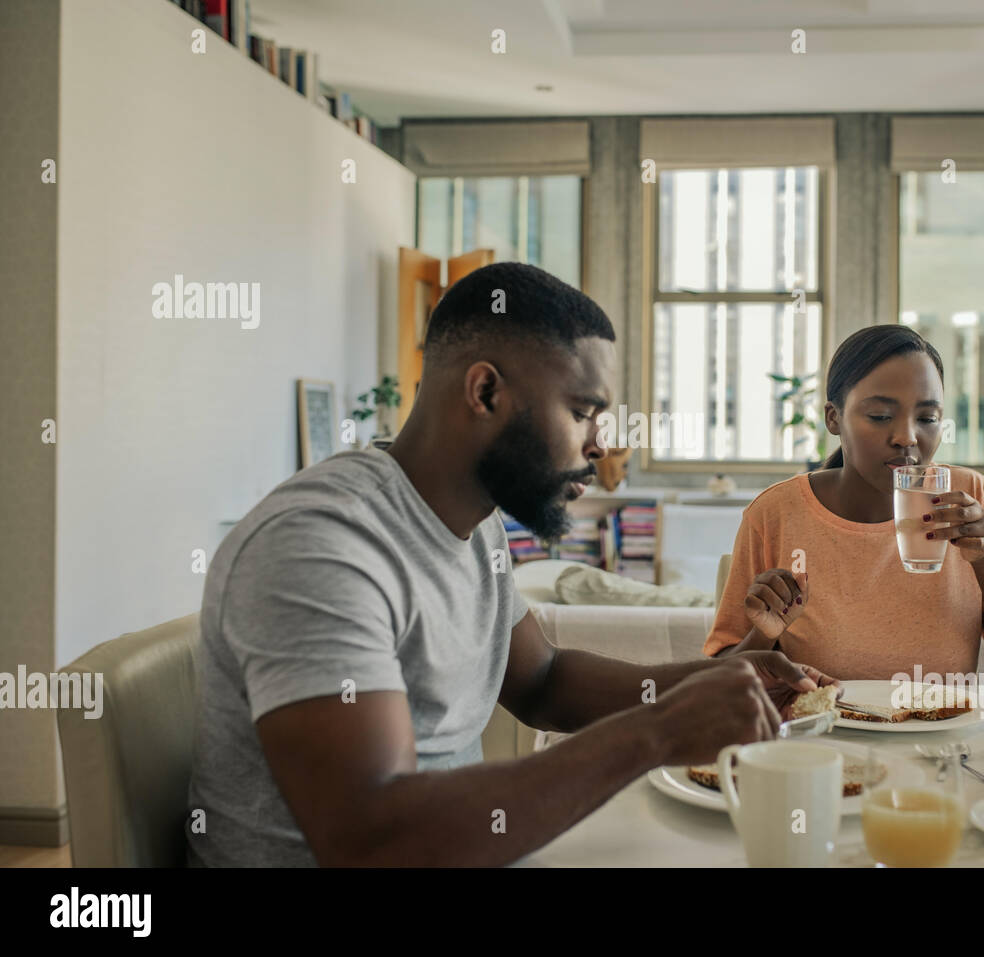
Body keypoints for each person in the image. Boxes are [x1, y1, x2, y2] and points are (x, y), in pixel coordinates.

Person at [187, 263, 835, 867]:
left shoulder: (473, 523)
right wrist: (658, 732)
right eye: (582, 411)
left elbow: (542, 680)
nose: (601, 444)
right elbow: (370, 836)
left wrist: (714, 679)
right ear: (486, 390)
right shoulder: (321, 545)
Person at [703, 325, 984, 684]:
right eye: (881, 416)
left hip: (939, 737)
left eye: (928, 418)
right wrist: (764, 632)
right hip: (822, 737)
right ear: (833, 418)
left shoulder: (972, 497)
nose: (907, 437)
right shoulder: (776, 512)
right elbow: (719, 684)